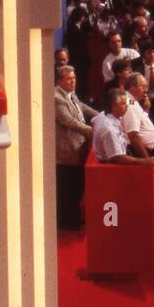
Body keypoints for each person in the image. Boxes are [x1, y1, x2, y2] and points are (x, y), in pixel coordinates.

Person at [54, 66, 98, 230]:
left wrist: (101, 116)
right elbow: (69, 121)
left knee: (76, 185)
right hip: (66, 152)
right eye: (69, 79)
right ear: (60, 81)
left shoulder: (70, 94)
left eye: (74, 78)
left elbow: (83, 107)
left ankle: (72, 218)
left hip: (78, 148)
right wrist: (91, 131)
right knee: (68, 187)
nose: (73, 81)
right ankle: (66, 221)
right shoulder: (56, 97)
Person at [91, 90, 154, 167]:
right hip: (113, 167)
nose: (127, 106)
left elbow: (92, 121)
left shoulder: (103, 114)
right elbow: (118, 157)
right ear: (114, 106)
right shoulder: (109, 129)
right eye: (123, 103)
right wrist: (144, 161)